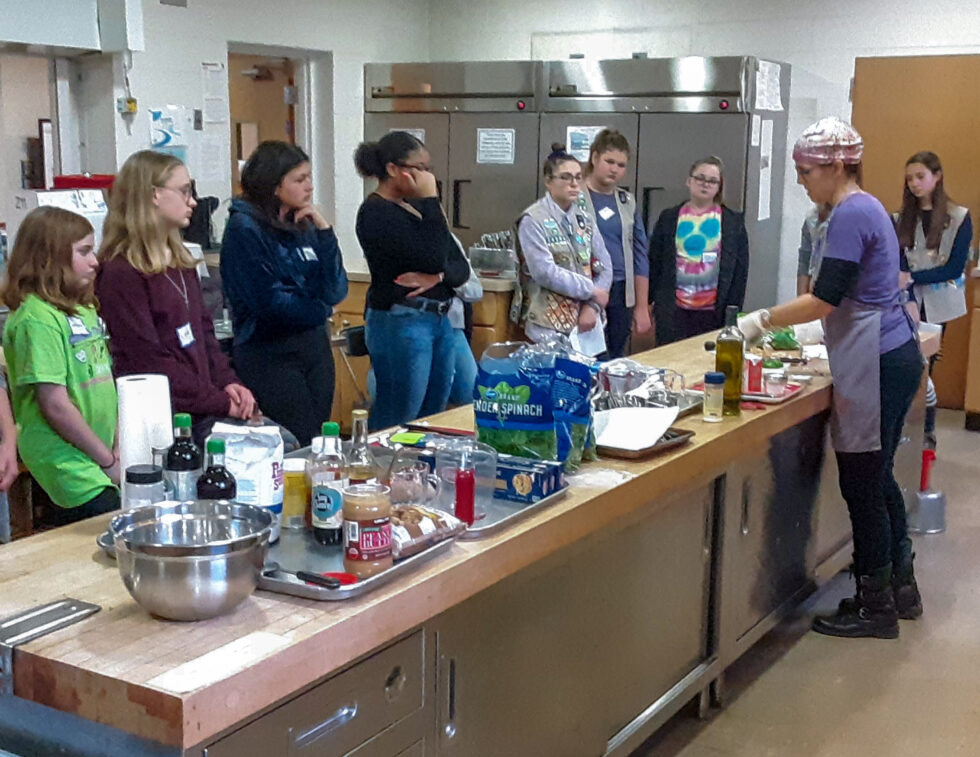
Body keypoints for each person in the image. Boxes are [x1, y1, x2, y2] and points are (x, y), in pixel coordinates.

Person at [739, 118, 923, 639]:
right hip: (888, 352)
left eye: (806, 171)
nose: (801, 181)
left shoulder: (851, 213)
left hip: (877, 357)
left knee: (862, 481)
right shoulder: (865, 208)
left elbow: (824, 298)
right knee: (878, 477)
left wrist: (761, 319)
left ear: (837, 166)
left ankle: (874, 605)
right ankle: (899, 589)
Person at [96, 150, 266, 447]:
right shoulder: (122, 271)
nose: (193, 202)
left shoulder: (181, 261)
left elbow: (205, 335)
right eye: (184, 191)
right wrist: (219, 401)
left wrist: (229, 382)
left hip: (202, 406)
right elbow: (148, 360)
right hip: (162, 417)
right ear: (154, 195)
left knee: (282, 444)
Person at [221, 141, 348, 446]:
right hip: (269, 352)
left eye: (309, 177)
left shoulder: (303, 223)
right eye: (300, 179)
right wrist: (321, 310)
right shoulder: (244, 228)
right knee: (296, 439)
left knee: (319, 439)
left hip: (314, 347)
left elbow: (335, 289)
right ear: (275, 186)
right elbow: (270, 303)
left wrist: (325, 233)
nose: (309, 186)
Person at [2, 207, 120, 525]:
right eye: (84, 251)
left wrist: (117, 445)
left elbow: (105, 378)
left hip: (96, 451)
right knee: (103, 517)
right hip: (65, 456)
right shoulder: (36, 319)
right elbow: (54, 405)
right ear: (48, 258)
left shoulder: (82, 309)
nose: (95, 261)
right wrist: (107, 459)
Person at [354, 131, 470, 430]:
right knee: (400, 416)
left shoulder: (417, 208)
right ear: (393, 169)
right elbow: (433, 257)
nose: (427, 177)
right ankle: (380, 460)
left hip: (439, 319)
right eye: (420, 168)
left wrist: (439, 276)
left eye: (428, 169)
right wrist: (431, 199)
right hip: (401, 320)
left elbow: (459, 264)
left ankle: (420, 461)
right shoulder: (375, 212)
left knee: (432, 417)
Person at [894, 151, 972, 448]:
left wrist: (912, 278)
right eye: (909, 179)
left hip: (939, 303)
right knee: (906, 364)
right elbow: (899, 263)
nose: (914, 184)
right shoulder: (900, 218)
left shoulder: (959, 217)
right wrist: (906, 284)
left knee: (926, 365)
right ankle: (904, 425)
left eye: (920, 177)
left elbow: (953, 268)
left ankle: (926, 430)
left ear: (936, 177)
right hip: (906, 301)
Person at [513, 144, 612, 349]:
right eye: (566, 177)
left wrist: (592, 306)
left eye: (578, 177)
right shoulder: (533, 219)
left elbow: (605, 266)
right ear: (548, 181)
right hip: (547, 323)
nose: (574, 184)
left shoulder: (584, 218)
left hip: (586, 322)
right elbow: (544, 272)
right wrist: (591, 290)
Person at [648, 156, 749, 345]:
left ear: (719, 187)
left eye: (712, 181)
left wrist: (733, 314)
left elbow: (740, 272)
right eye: (700, 178)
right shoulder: (669, 217)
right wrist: (649, 302)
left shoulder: (733, 222)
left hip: (714, 313)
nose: (705, 184)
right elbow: (655, 262)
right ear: (689, 181)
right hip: (673, 311)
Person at [580, 129, 651, 357]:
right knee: (589, 356)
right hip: (587, 288)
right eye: (609, 161)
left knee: (615, 357)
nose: (614, 169)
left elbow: (640, 255)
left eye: (621, 165)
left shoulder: (627, 201)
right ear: (594, 158)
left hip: (621, 291)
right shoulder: (574, 195)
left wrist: (641, 306)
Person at [797, 203, 832, 295]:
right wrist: (802, 301)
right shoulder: (811, 218)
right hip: (815, 292)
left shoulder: (847, 218)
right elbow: (805, 261)